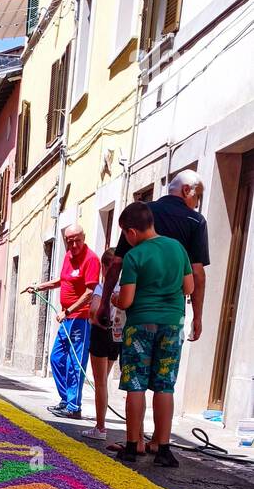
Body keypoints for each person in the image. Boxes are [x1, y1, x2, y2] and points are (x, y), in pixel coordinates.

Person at [113, 201, 193, 470]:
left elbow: (126, 300)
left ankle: (132, 446)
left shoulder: (135, 256)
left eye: (125, 233)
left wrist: (114, 299)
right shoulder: (177, 248)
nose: (126, 238)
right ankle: (163, 448)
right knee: (164, 385)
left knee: (135, 384)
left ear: (132, 231)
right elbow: (189, 286)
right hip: (171, 324)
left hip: (140, 325)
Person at [94, 170, 209, 342]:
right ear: (186, 190)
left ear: (130, 233)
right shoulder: (194, 224)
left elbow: (116, 263)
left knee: (136, 367)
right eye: (197, 197)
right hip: (172, 319)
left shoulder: (142, 214)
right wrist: (198, 316)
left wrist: (105, 303)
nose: (197, 204)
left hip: (139, 316)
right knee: (166, 368)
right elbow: (196, 275)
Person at [23, 225, 100, 419]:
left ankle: (74, 407)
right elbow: (62, 280)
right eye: (70, 241)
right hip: (67, 320)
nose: (74, 244)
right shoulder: (68, 257)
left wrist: (68, 311)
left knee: (75, 363)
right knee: (57, 359)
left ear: (84, 238)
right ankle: (66, 400)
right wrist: (39, 287)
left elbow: (90, 292)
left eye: (77, 240)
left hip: (80, 320)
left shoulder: (91, 259)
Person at [82, 249, 126, 442]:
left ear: (105, 267)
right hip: (118, 336)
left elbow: (94, 311)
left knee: (100, 383)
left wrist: (97, 321)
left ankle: (100, 427)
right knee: (104, 382)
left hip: (102, 333)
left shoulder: (103, 287)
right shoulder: (125, 288)